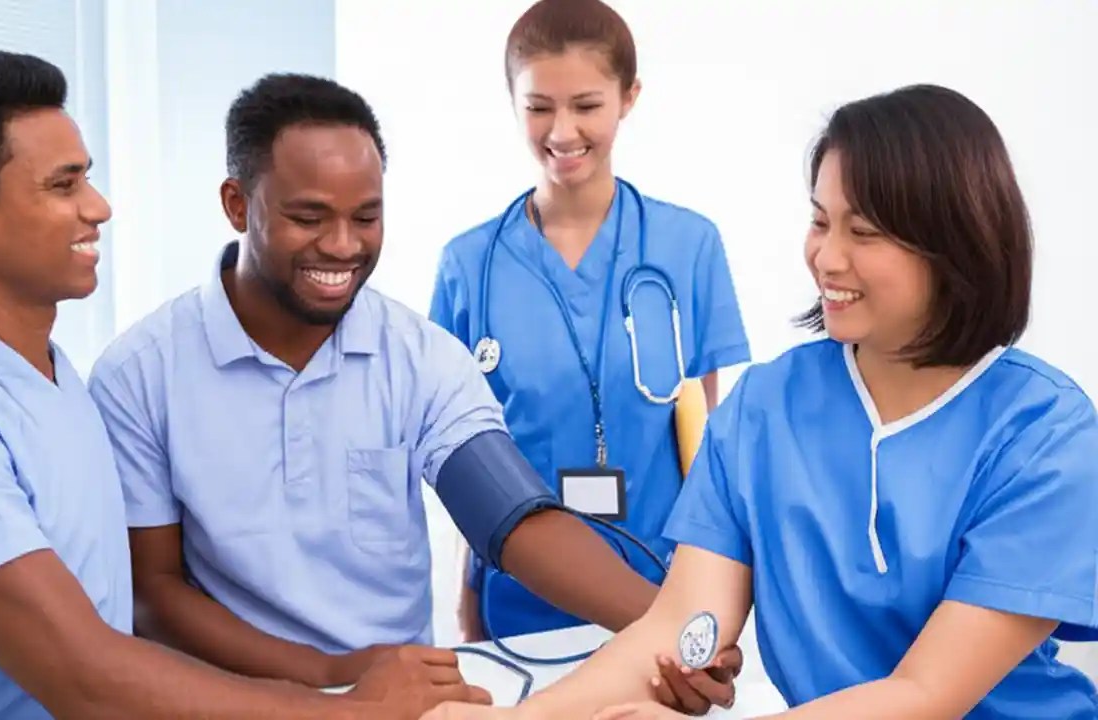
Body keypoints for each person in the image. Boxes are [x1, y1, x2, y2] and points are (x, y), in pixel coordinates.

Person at [0, 48, 488, 720]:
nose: (99, 207)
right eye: (64, 185)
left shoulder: (55, 384)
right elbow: (85, 675)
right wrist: (354, 708)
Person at [421, 84, 1098, 720]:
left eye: (862, 233)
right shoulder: (766, 408)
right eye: (819, 221)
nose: (826, 258)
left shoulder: (1044, 435)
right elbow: (681, 620)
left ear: (955, 243)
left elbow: (925, 695)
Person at [86, 71, 677, 697]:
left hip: (402, 699)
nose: (342, 246)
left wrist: (671, 629)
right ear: (237, 204)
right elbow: (152, 596)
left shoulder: (420, 358)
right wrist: (333, 677)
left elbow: (512, 518)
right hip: (234, 700)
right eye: (308, 217)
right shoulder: (140, 374)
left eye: (366, 216)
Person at [429, 0, 748, 707]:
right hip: (515, 611)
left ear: (629, 99)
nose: (562, 131)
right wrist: (464, 601)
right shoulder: (468, 264)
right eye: (538, 106)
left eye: (586, 105)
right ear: (511, 102)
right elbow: (457, 455)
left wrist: (700, 614)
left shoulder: (687, 247)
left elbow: (707, 454)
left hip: (657, 606)